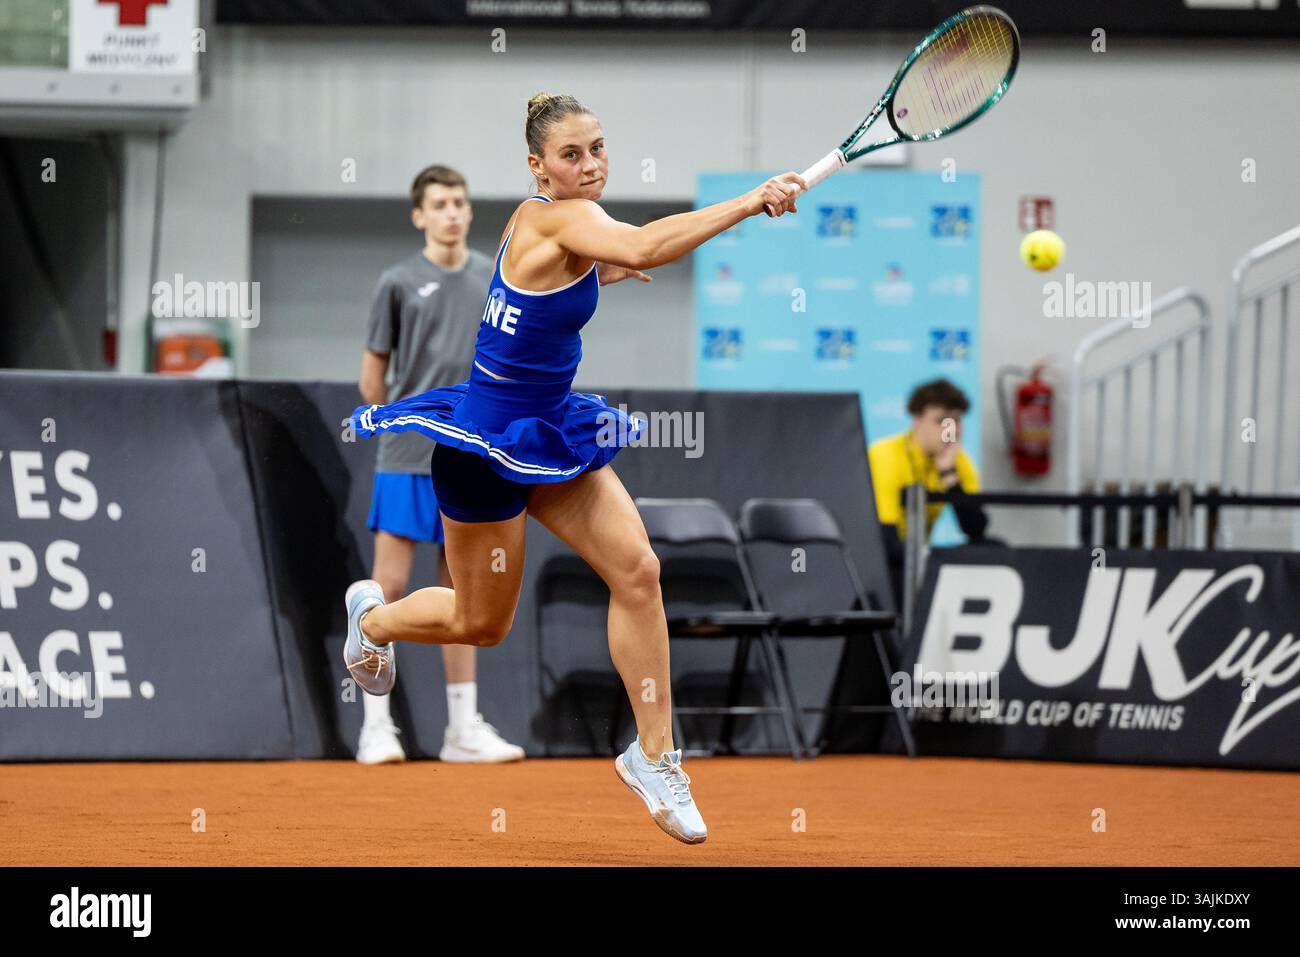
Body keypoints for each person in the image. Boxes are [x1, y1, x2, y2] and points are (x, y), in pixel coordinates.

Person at [343, 91, 805, 844]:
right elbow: (647, 244)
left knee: (638, 570)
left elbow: (580, 271)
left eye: (597, 148)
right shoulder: (557, 216)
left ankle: (655, 755)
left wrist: (606, 274)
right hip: (490, 449)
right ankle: (373, 622)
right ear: (538, 168)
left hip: (551, 435)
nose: (589, 165)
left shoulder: (557, 228)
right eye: (571, 154)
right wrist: (752, 200)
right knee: (480, 623)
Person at [355, 163, 525, 766]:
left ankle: (461, 729)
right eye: (440, 204)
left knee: (462, 591)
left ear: (469, 211)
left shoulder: (494, 278)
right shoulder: (396, 282)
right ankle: (376, 726)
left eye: (460, 202)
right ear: (419, 215)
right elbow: (372, 378)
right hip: (405, 456)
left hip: (474, 455)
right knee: (392, 584)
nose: (452, 212)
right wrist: (401, 422)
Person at [868, 378, 994, 606]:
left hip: (919, 555)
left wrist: (948, 474)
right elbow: (885, 539)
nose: (949, 431)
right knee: (897, 570)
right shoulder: (885, 455)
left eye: (955, 421)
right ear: (917, 421)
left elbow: (976, 529)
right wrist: (932, 560)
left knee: (993, 549)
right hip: (883, 559)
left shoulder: (959, 462)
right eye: (940, 422)